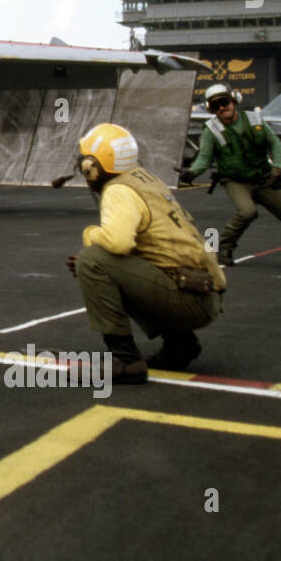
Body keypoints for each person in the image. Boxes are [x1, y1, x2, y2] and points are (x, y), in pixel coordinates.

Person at [67, 123, 226, 380]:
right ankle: (179, 344)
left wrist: (90, 235)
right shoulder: (144, 179)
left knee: (91, 261)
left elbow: (118, 243)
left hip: (189, 298)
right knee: (105, 265)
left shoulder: (118, 190)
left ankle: (125, 359)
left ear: (92, 165)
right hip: (203, 293)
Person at [181, 83, 281, 271]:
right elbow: (204, 158)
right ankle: (223, 249)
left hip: (265, 178)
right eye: (215, 105)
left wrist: (277, 168)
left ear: (234, 101)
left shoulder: (255, 120)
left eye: (224, 102)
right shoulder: (211, 130)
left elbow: (275, 143)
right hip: (236, 181)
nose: (221, 108)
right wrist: (191, 173)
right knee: (247, 212)